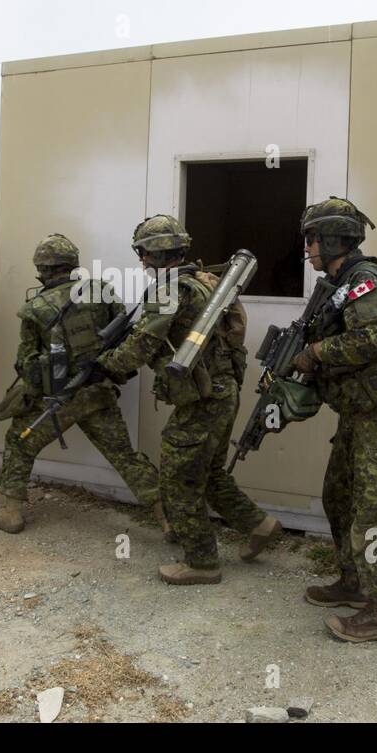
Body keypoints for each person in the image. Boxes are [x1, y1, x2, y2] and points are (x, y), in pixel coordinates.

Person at [97, 215, 281, 585]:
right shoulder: (205, 282)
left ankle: (201, 561)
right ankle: (258, 524)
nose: (142, 262)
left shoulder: (170, 291)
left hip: (203, 398)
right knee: (209, 472)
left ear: (156, 253)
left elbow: (144, 343)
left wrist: (106, 364)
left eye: (144, 253)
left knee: (178, 477)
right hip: (222, 392)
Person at [294, 198, 377, 643]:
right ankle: (353, 582)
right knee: (340, 497)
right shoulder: (338, 282)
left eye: (312, 239)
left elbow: (368, 340)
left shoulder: (363, 280)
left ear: (332, 239)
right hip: (358, 414)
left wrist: (314, 354)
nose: (307, 248)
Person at [0, 234, 165, 536]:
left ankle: (11, 512)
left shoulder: (35, 308)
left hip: (60, 399)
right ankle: (167, 519)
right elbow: (122, 334)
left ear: (42, 268)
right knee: (124, 457)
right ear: (73, 264)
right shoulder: (100, 291)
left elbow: (26, 364)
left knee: (19, 441)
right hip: (97, 392)